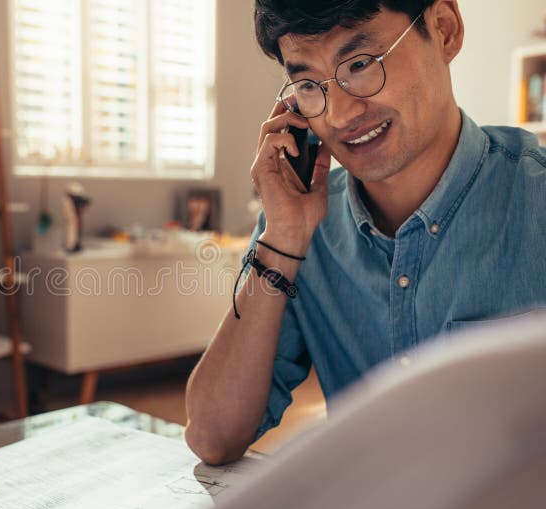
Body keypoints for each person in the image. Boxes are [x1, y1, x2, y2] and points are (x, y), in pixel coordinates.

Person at [185, 0, 546, 465]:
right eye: (309, 85)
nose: (338, 115)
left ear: (444, 29)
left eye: (359, 64)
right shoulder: (300, 226)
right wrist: (284, 239)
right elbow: (213, 436)